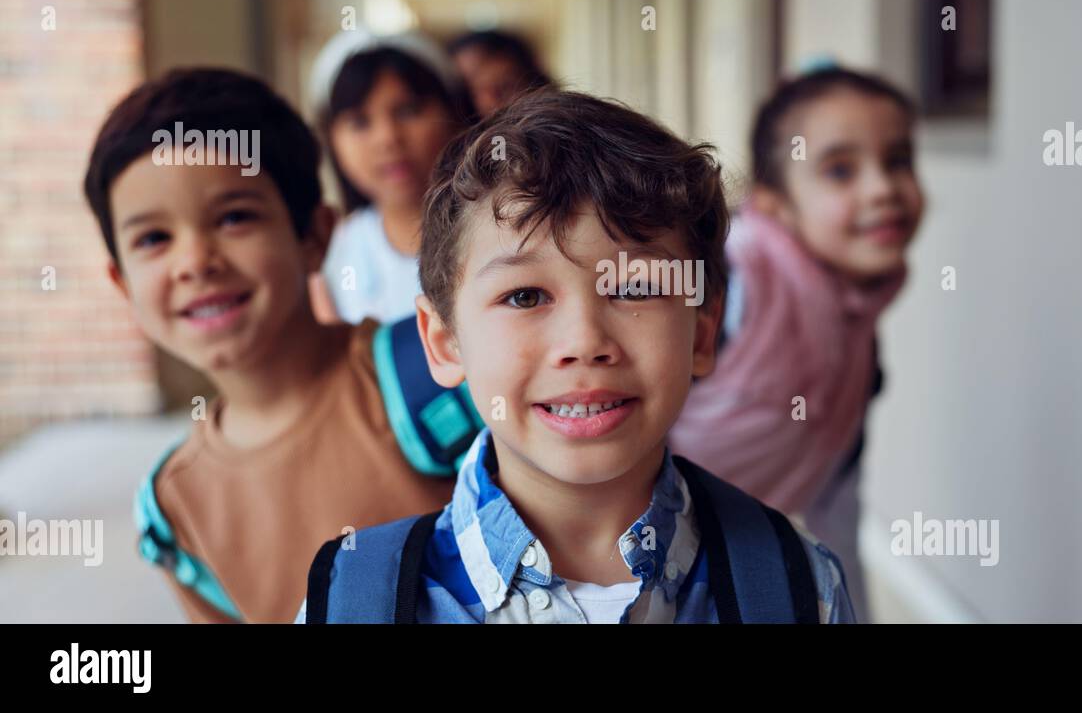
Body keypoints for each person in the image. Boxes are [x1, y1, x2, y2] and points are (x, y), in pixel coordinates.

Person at [301, 91, 855, 623]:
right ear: (444, 343)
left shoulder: (799, 586)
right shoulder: (351, 600)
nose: (585, 342)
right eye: (524, 296)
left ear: (702, 333)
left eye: (635, 289)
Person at [83, 68, 469, 622]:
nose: (194, 262)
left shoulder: (437, 376)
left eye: (234, 217)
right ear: (122, 282)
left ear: (315, 237)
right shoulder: (174, 507)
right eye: (153, 239)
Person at [669, 67, 925, 619]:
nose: (883, 189)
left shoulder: (855, 319)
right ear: (774, 204)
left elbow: (837, 501)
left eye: (898, 160)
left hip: (736, 563)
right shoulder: (734, 280)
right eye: (840, 170)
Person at [309, 30, 468, 324]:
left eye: (408, 111)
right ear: (331, 140)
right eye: (360, 122)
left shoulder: (503, 226)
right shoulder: (332, 258)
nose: (388, 138)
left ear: (453, 115)